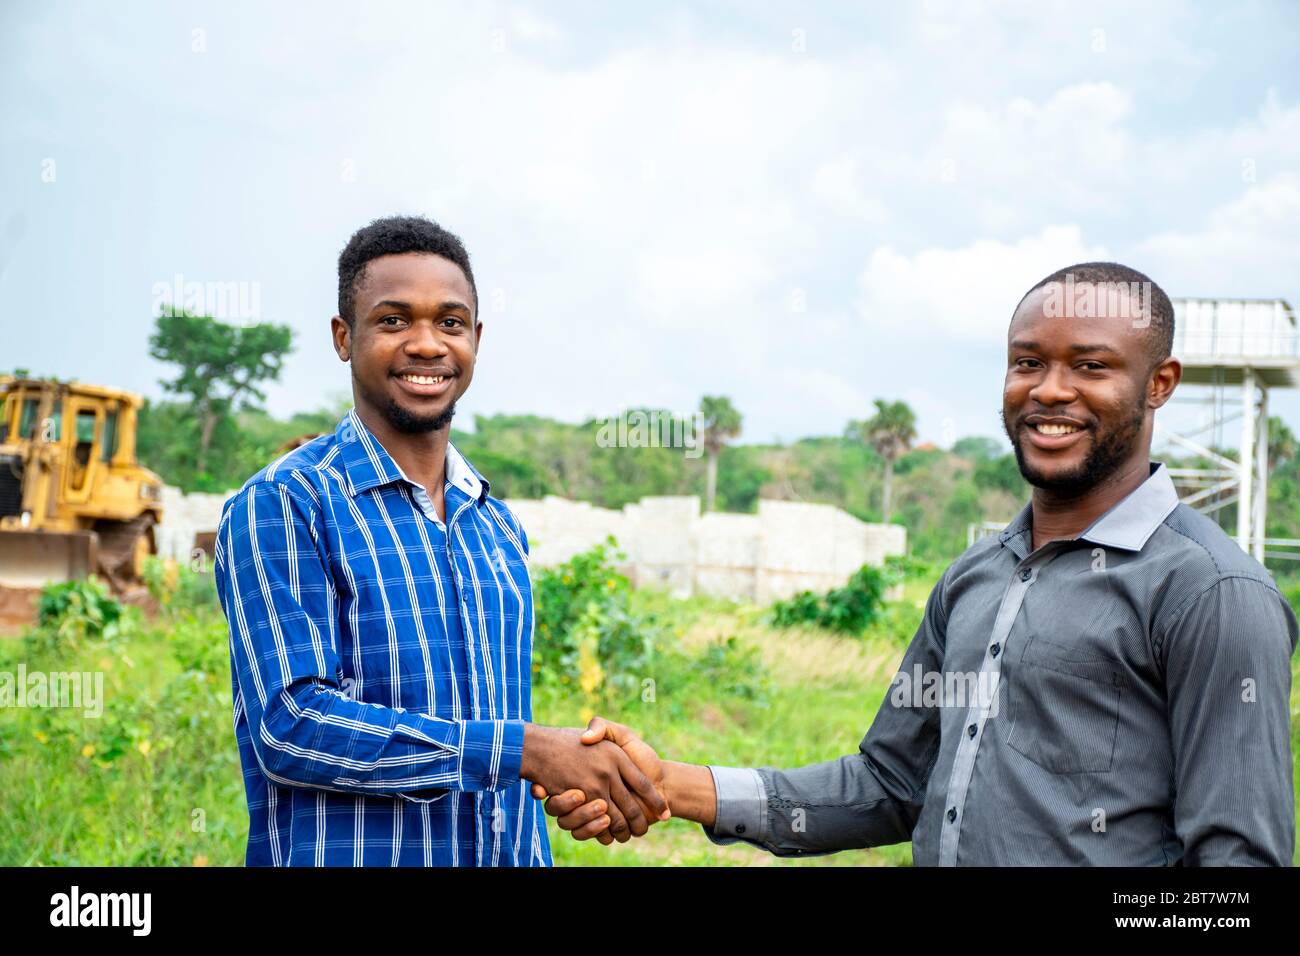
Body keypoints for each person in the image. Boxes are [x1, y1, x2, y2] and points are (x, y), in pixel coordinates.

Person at [537, 262, 1298, 865]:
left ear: (1159, 383)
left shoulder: (1211, 592)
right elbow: (890, 784)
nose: (1049, 391)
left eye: (1091, 367)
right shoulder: (977, 576)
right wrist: (668, 784)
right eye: (1027, 361)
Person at [214, 215, 666, 866]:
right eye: (393, 321)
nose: (427, 344)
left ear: (476, 339)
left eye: (450, 323)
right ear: (344, 337)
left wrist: (569, 777)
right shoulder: (286, 504)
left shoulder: (496, 526)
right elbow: (290, 728)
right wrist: (524, 749)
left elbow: (504, 748)